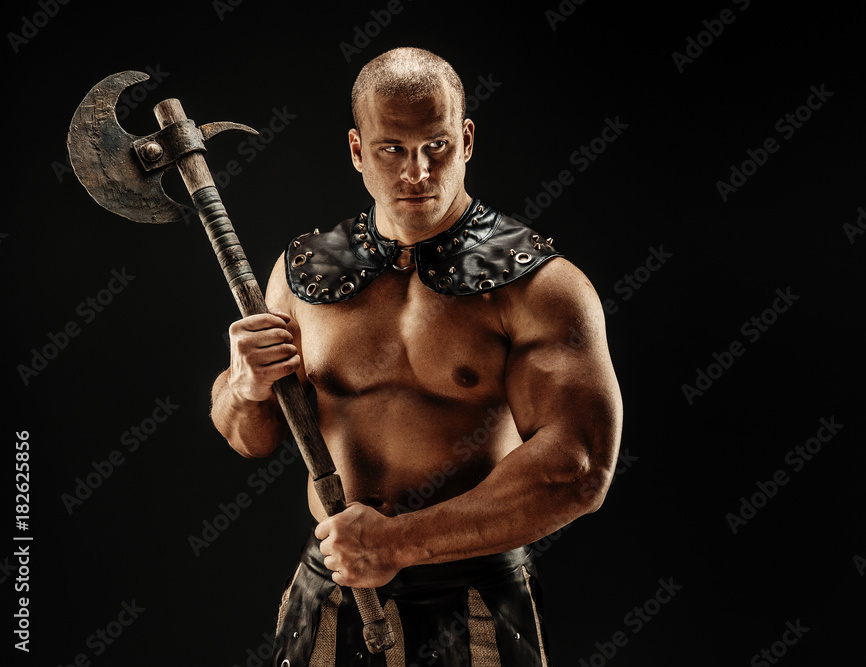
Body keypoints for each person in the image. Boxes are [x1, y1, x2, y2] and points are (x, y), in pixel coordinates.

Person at [210, 46, 623, 666]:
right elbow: (253, 438)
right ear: (357, 151)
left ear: (467, 138)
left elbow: (577, 466)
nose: (418, 173)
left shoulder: (540, 286)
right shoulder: (304, 272)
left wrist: (402, 542)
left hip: (473, 596)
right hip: (332, 589)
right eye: (392, 150)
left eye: (436, 146)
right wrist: (244, 388)